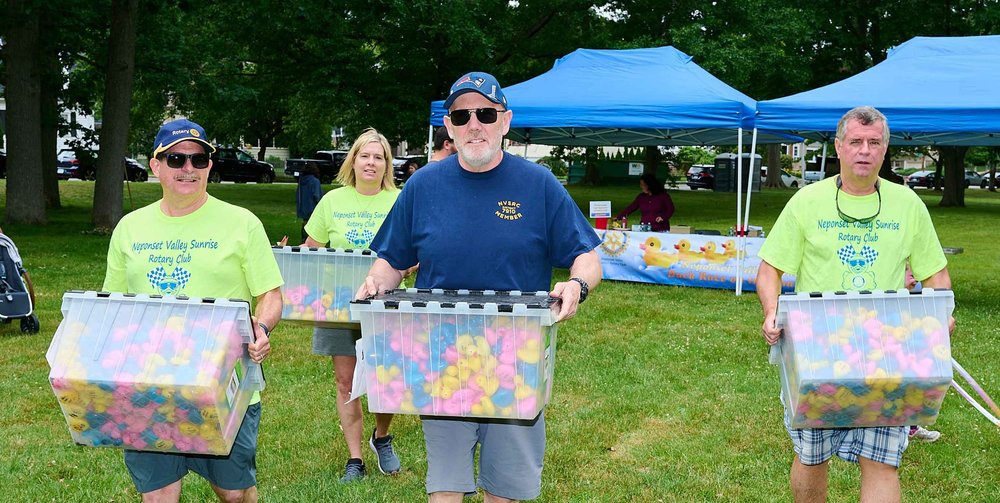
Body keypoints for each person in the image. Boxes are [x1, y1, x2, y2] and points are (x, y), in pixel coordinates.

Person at [358, 71, 602, 502]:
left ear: (505, 121)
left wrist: (577, 284)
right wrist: (376, 282)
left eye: (486, 114)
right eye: (462, 115)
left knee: (504, 492)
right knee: (444, 489)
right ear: (448, 126)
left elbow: (587, 256)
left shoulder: (538, 184)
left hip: (516, 357)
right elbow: (392, 260)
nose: (474, 124)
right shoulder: (423, 185)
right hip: (440, 355)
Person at [756, 106, 955, 503]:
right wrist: (770, 311)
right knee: (811, 456)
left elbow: (937, 276)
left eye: (874, 142)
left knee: (881, 461)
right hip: (817, 350)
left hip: (888, 350)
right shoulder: (807, 201)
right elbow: (769, 270)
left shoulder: (907, 204)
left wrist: (941, 315)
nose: (865, 150)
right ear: (838, 147)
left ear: (885, 149)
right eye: (856, 142)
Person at [103, 118, 283, 502]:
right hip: (149, 383)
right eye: (176, 159)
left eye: (198, 159)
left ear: (209, 166)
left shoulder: (242, 224)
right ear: (156, 166)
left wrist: (263, 327)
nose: (188, 168)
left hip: (223, 383)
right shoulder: (129, 229)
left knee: (234, 494)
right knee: (159, 494)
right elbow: (113, 307)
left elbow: (271, 294)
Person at [302, 127, 402, 483]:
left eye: (378, 157)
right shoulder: (332, 201)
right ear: (353, 161)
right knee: (346, 382)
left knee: (385, 378)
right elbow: (310, 249)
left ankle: (382, 436)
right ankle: (355, 458)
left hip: (386, 305)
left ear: (387, 164)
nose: (371, 163)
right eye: (365, 156)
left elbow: (416, 251)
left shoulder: (400, 201)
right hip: (338, 305)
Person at [296, 161, 323, 241]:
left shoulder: (301, 181)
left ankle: (304, 240)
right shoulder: (315, 181)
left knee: (305, 224)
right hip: (313, 208)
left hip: (303, 208)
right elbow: (317, 196)